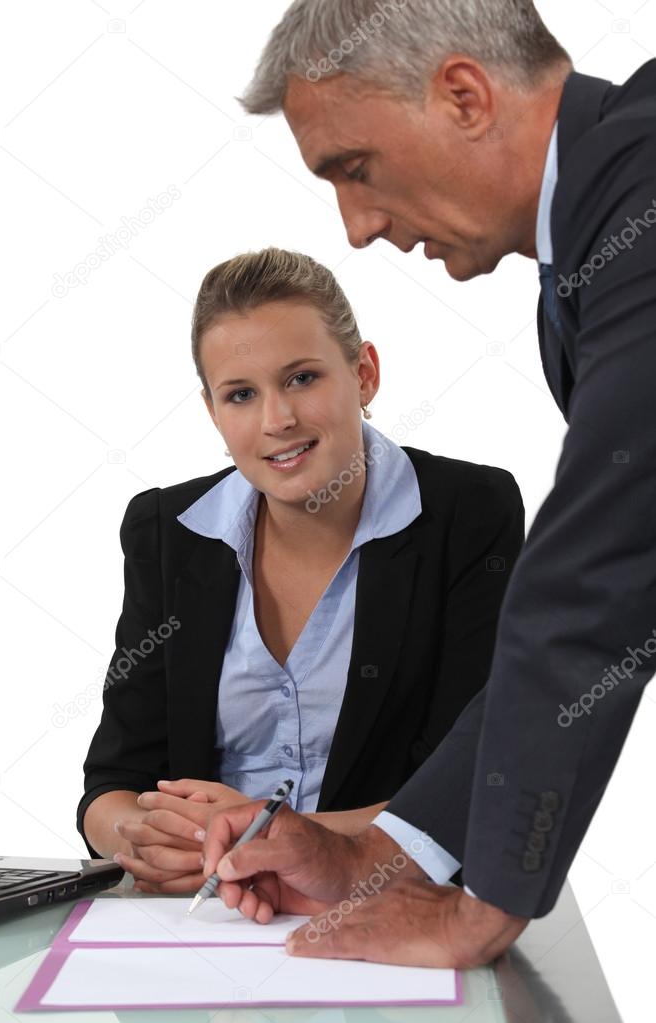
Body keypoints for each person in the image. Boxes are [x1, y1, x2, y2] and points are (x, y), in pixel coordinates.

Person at [191, 0, 656, 969]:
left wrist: (476, 910)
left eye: (353, 171)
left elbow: (589, 584)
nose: (356, 230)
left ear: (463, 95)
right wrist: (383, 851)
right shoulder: (592, 236)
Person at [77, 246, 524, 895]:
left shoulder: (467, 513)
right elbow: (112, 785)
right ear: (213, 412)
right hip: (205, 908)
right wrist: (143, 839)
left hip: (386, 902)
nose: (276, 420)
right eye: (240, 394)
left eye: (302, 378)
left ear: (364, 373)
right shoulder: (168, 529)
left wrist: (268, 836)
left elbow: (471, 783)